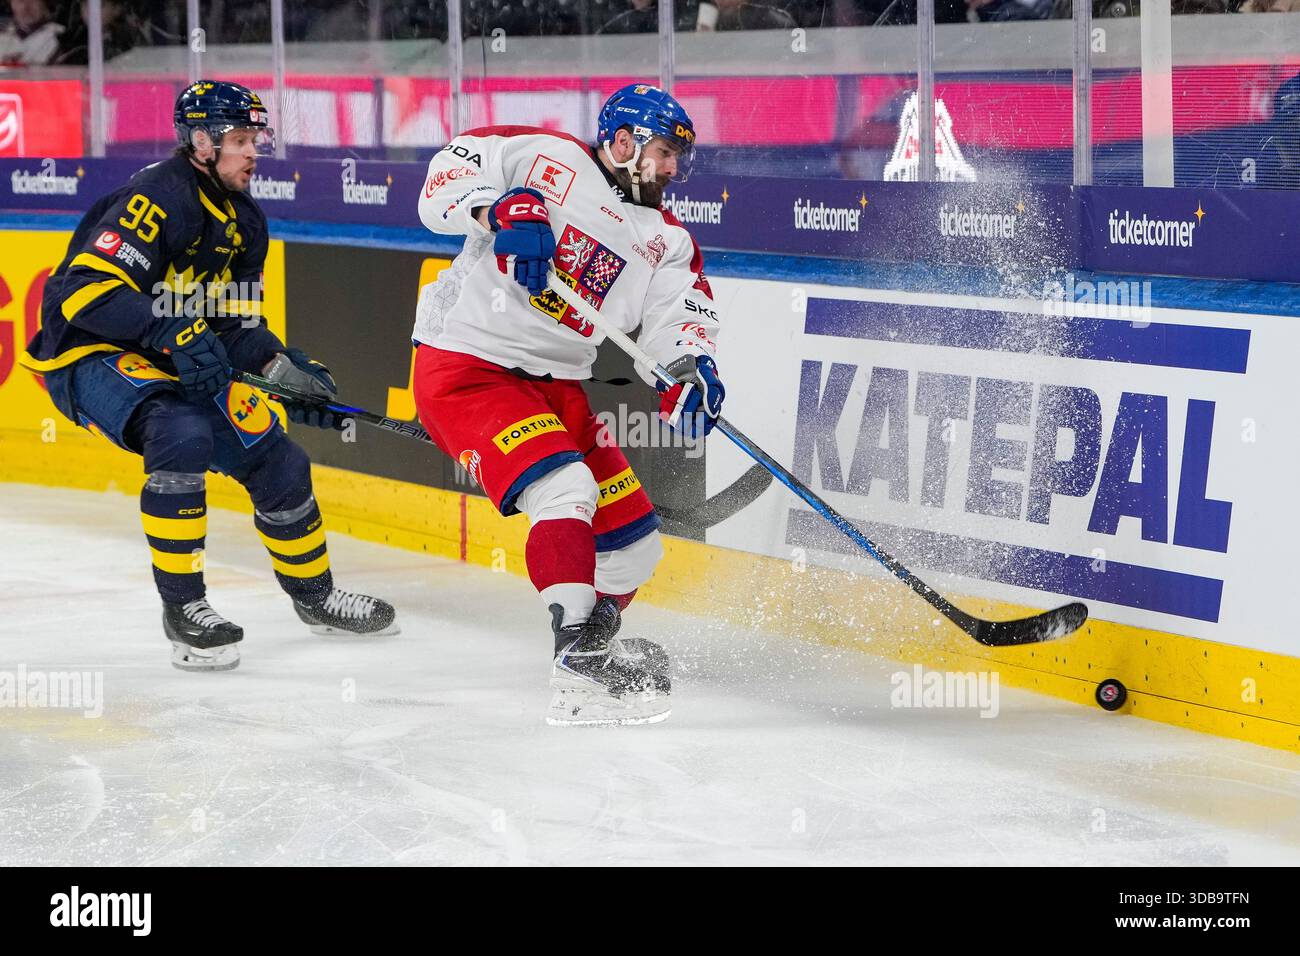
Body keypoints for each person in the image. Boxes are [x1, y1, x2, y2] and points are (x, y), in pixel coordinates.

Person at [21, 80, 397, 672]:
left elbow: (233, 324)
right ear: (202, 142)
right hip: (87, 354)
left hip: (169, 354)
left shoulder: (244, 221)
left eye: (256, 139)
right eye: (242, 140)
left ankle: (316, 597)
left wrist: (280, 367)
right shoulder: (157, 198)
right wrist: (169, 329)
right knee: (181, 431)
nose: (254, 152)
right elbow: (82, 294)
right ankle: (184, 608)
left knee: (278, 459)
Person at [411, 84, 724, 726]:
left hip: (557, 389)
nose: (671, 170)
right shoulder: (544, 155)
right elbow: (446, 176)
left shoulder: (667, 240)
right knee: (566, 488)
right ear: (622, 142)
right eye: (663, 153)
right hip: (469, 364)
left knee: (635, 547)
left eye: (677, 158)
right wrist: (498, 212)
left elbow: (680, 321)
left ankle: (590, 645)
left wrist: (689, 370)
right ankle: (575, 676)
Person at [0, 0, 63, 66]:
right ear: (11, 4)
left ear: (44, 4)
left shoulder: (60, 37)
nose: (26, 7)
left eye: (33, 1)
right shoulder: (3, 36)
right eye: (20, 1)